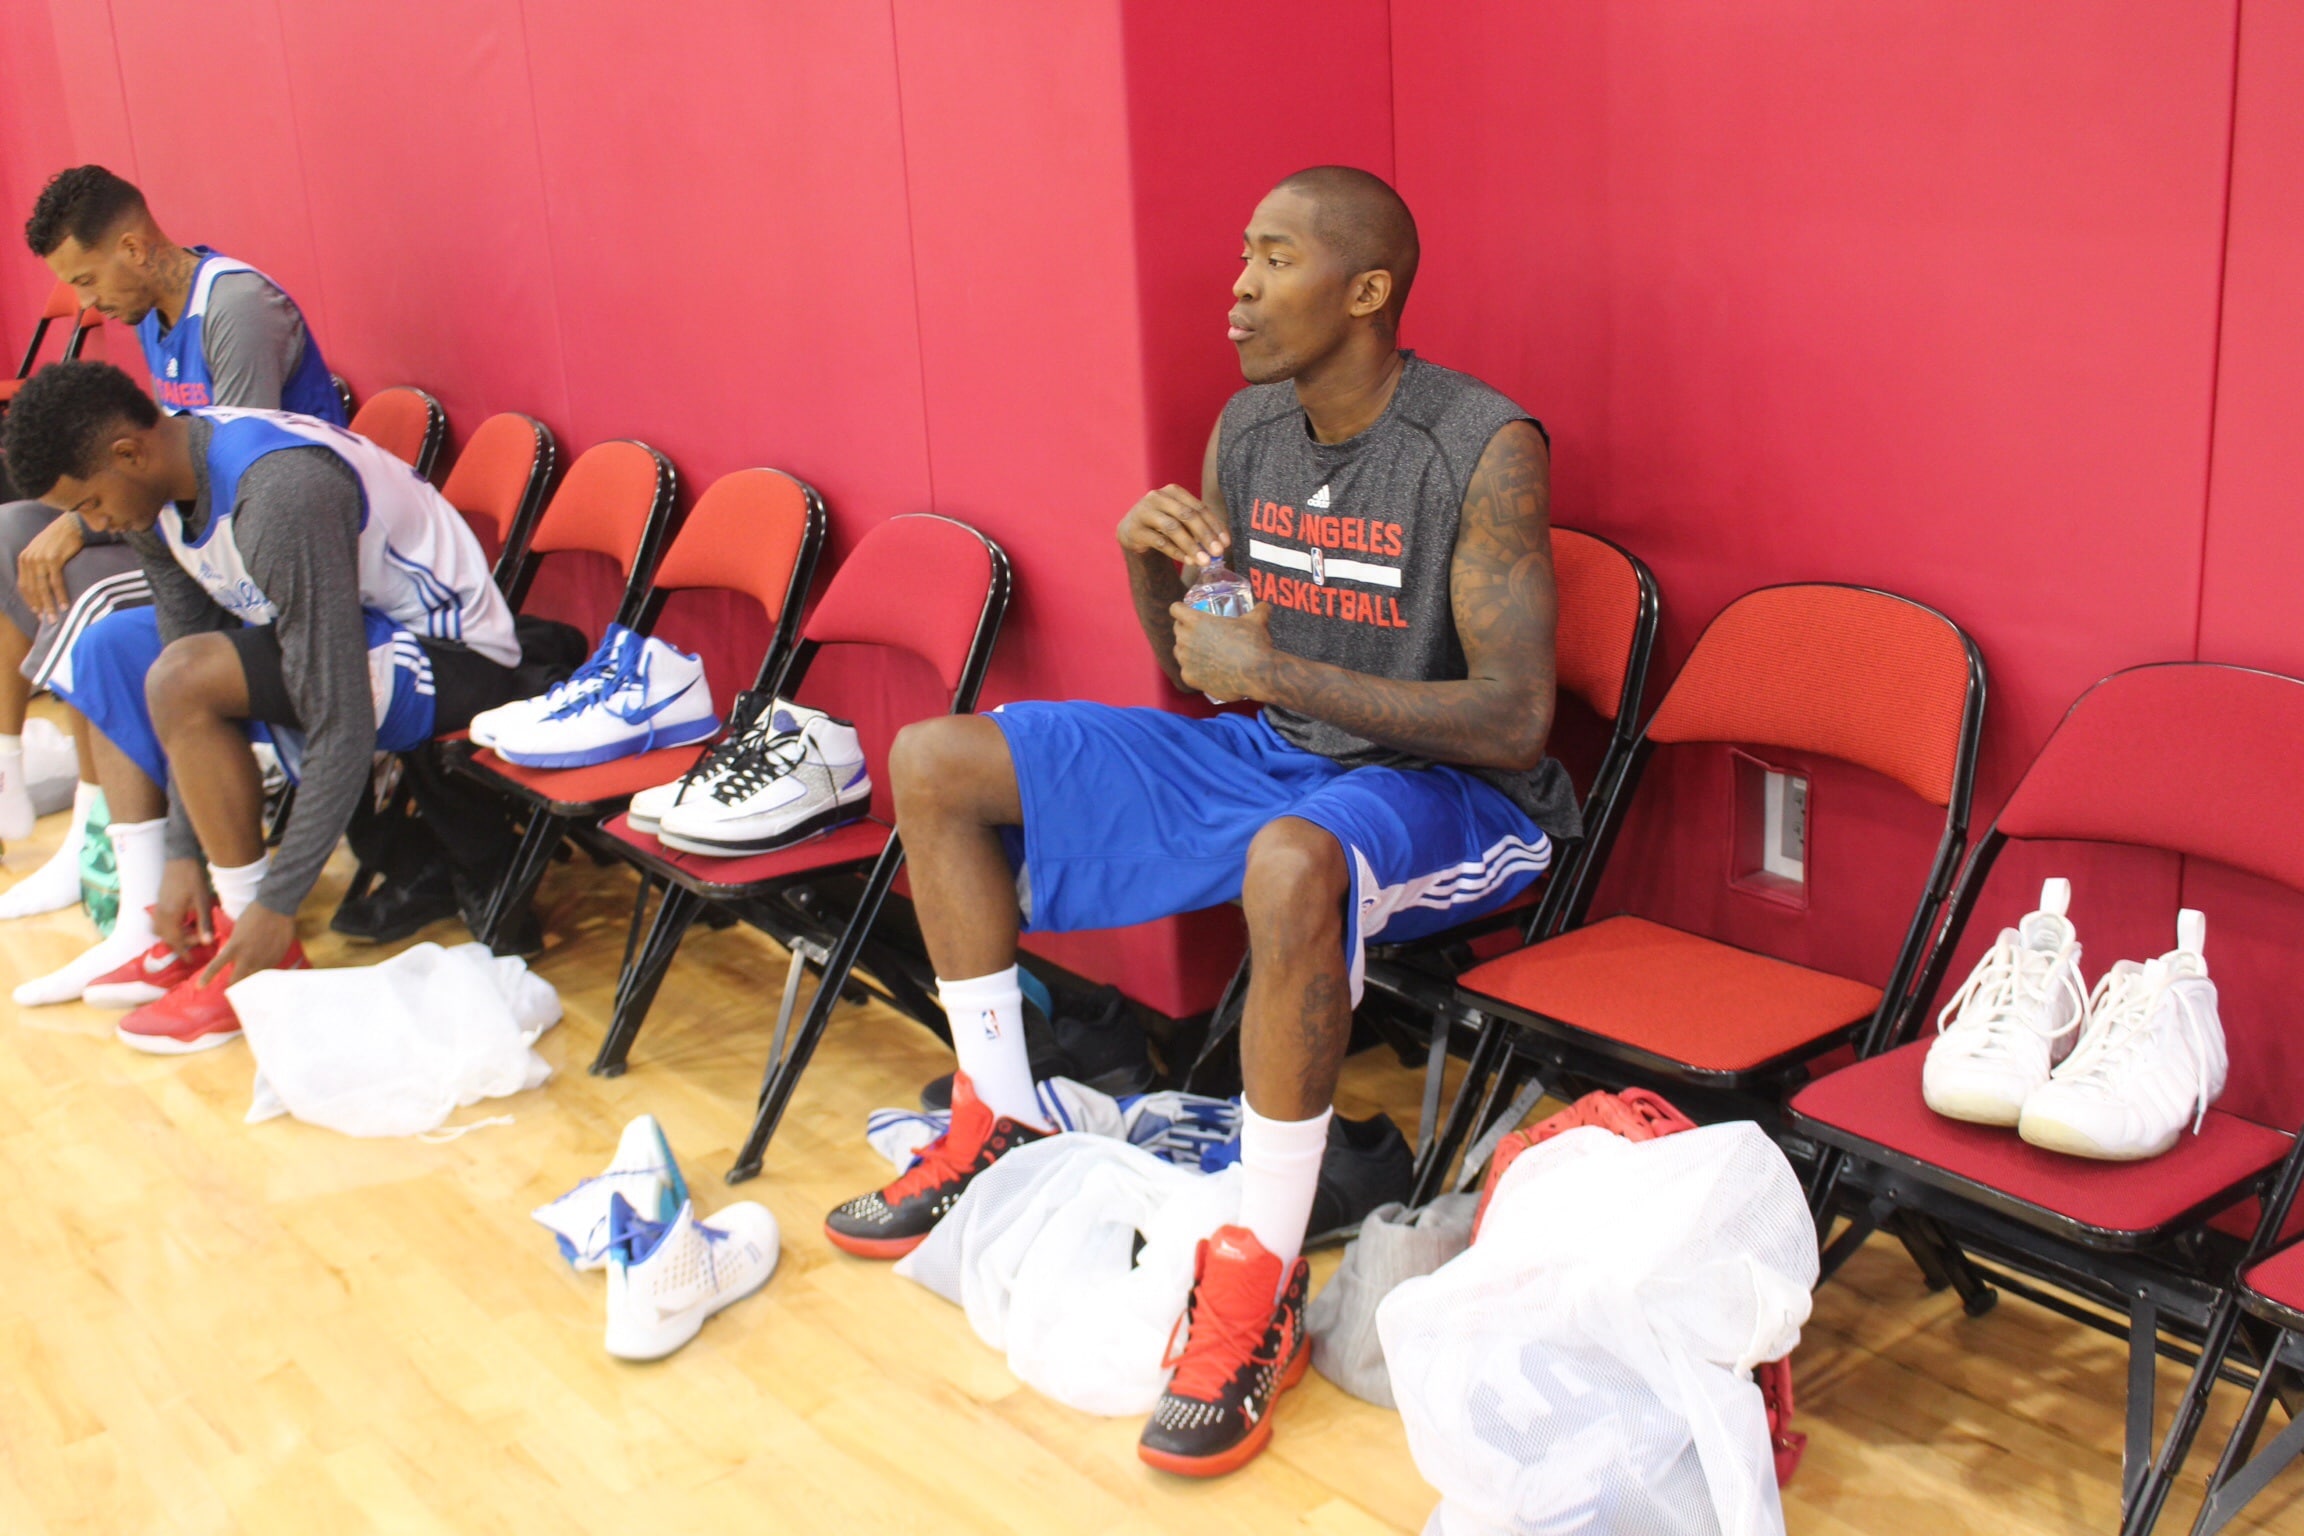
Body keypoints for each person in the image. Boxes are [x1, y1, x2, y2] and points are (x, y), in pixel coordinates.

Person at [823, 167, 1571, 1476]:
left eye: (1272, 259)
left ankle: (1257, 1274)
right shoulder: (1247, 431)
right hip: (1266, 751)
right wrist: (1144, 564)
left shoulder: (1485, 444)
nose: (1236, 289)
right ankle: (997, 1109)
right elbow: (1209, 669)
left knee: (1291, 864)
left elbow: (1514, 720)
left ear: (1367, 289)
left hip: (1452, 793)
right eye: (1241, 257)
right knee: (937, 760)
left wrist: (1275, 681)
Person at [0, 361, 522, 1052]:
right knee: (112, 651)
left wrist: (276, 903)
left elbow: (338, 717)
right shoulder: (154, 488)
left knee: (183, 678)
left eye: (91, 504)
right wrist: (185, 856)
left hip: (453, 658)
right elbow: (182, 652)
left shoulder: (278, 492)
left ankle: (259, 953)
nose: (93, 524)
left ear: (128, 453)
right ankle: (170, 913)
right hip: (349, 636)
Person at [0, 165, 345, 972]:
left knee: (97, 627)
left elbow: (240, 467)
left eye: (88, 279)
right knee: (15, 531)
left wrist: (83, 532)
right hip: (204, 532)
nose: (86, 305)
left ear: (133, 246)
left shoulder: (234, 305)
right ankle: (85, 831)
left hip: (283, 542)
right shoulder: (155, 313)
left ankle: (137, 872)